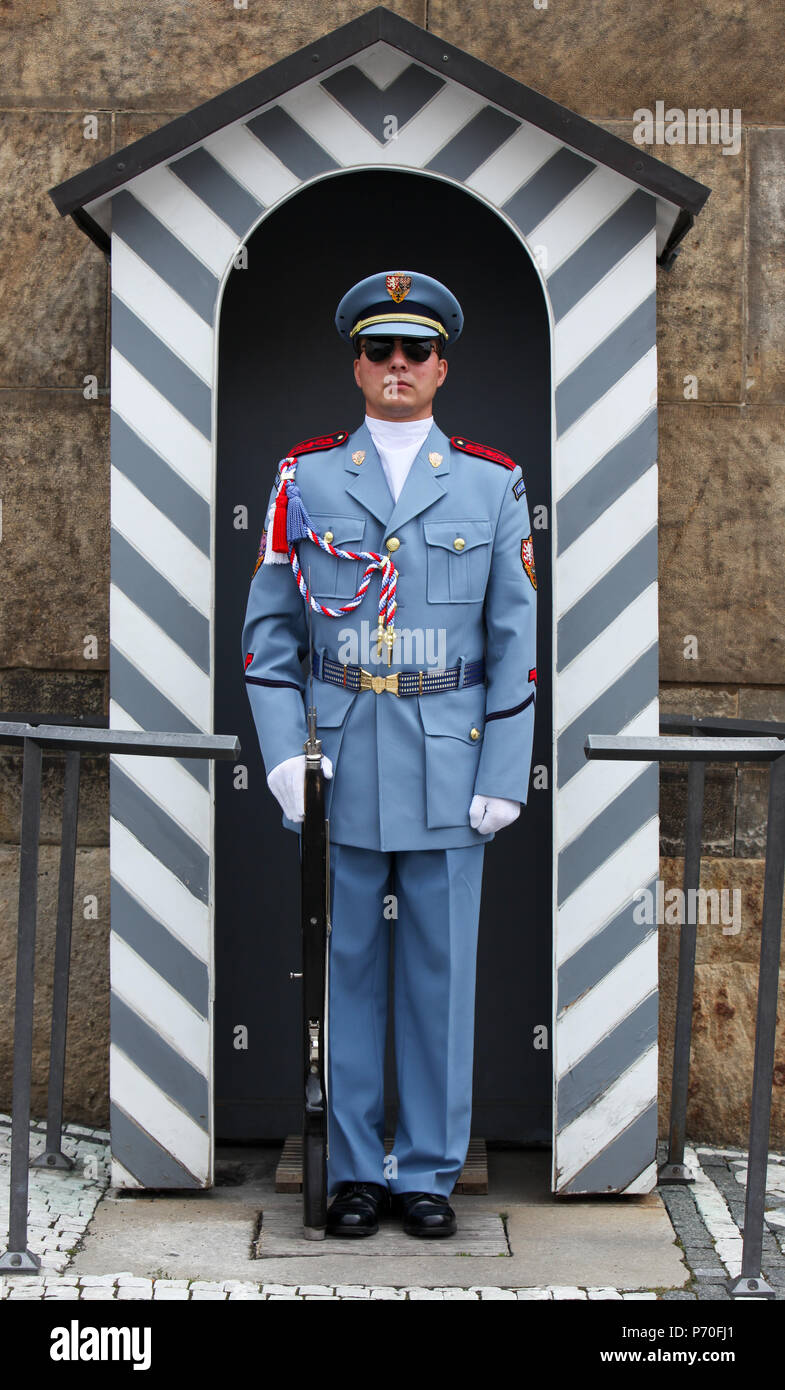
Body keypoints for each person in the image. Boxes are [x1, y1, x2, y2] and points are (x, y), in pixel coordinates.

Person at [241, 270, 537, 1238]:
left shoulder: (492, 483)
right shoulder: (306, 478)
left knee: (440, 977)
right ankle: (357, 1168)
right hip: (343, 761)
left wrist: (503, 770)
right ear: (357, 365)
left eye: (415, 350)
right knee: (347, 969)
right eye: (380, 350)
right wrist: (284, 754)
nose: (398, 365)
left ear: (441, 365)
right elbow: (270, 635)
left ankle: (429, 1174)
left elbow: (513, 641)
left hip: (451, 761)